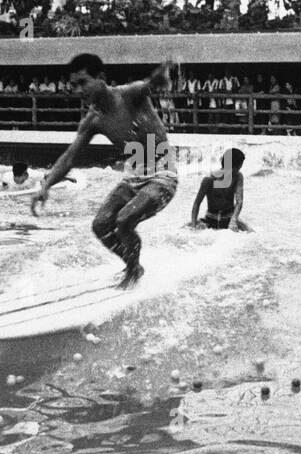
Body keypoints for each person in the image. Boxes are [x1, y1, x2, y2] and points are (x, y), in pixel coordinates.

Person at [33, 53, 177, 288]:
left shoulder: (129, 94)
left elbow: (151, 85)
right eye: (73, 86)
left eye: (83, 83)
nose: (79, 90)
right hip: (134, 175)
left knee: (124, 220)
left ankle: (131, 273)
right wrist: (46, 185)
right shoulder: (93, 120)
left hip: (163, 174)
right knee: (100, 225)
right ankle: (134, 266)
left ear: (101, 78)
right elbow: (70, 157)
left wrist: (161, 76)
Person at [189, 148, 250, 231]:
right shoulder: (208, 180)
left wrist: (233, 220)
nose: (238, 170)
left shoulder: (238, 177)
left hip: (229, 219)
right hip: (210, 220)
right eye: (238, 168)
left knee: (253, 235)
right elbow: (197, 203)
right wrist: (193, 226)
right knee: (183, 231)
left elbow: (239, 202)